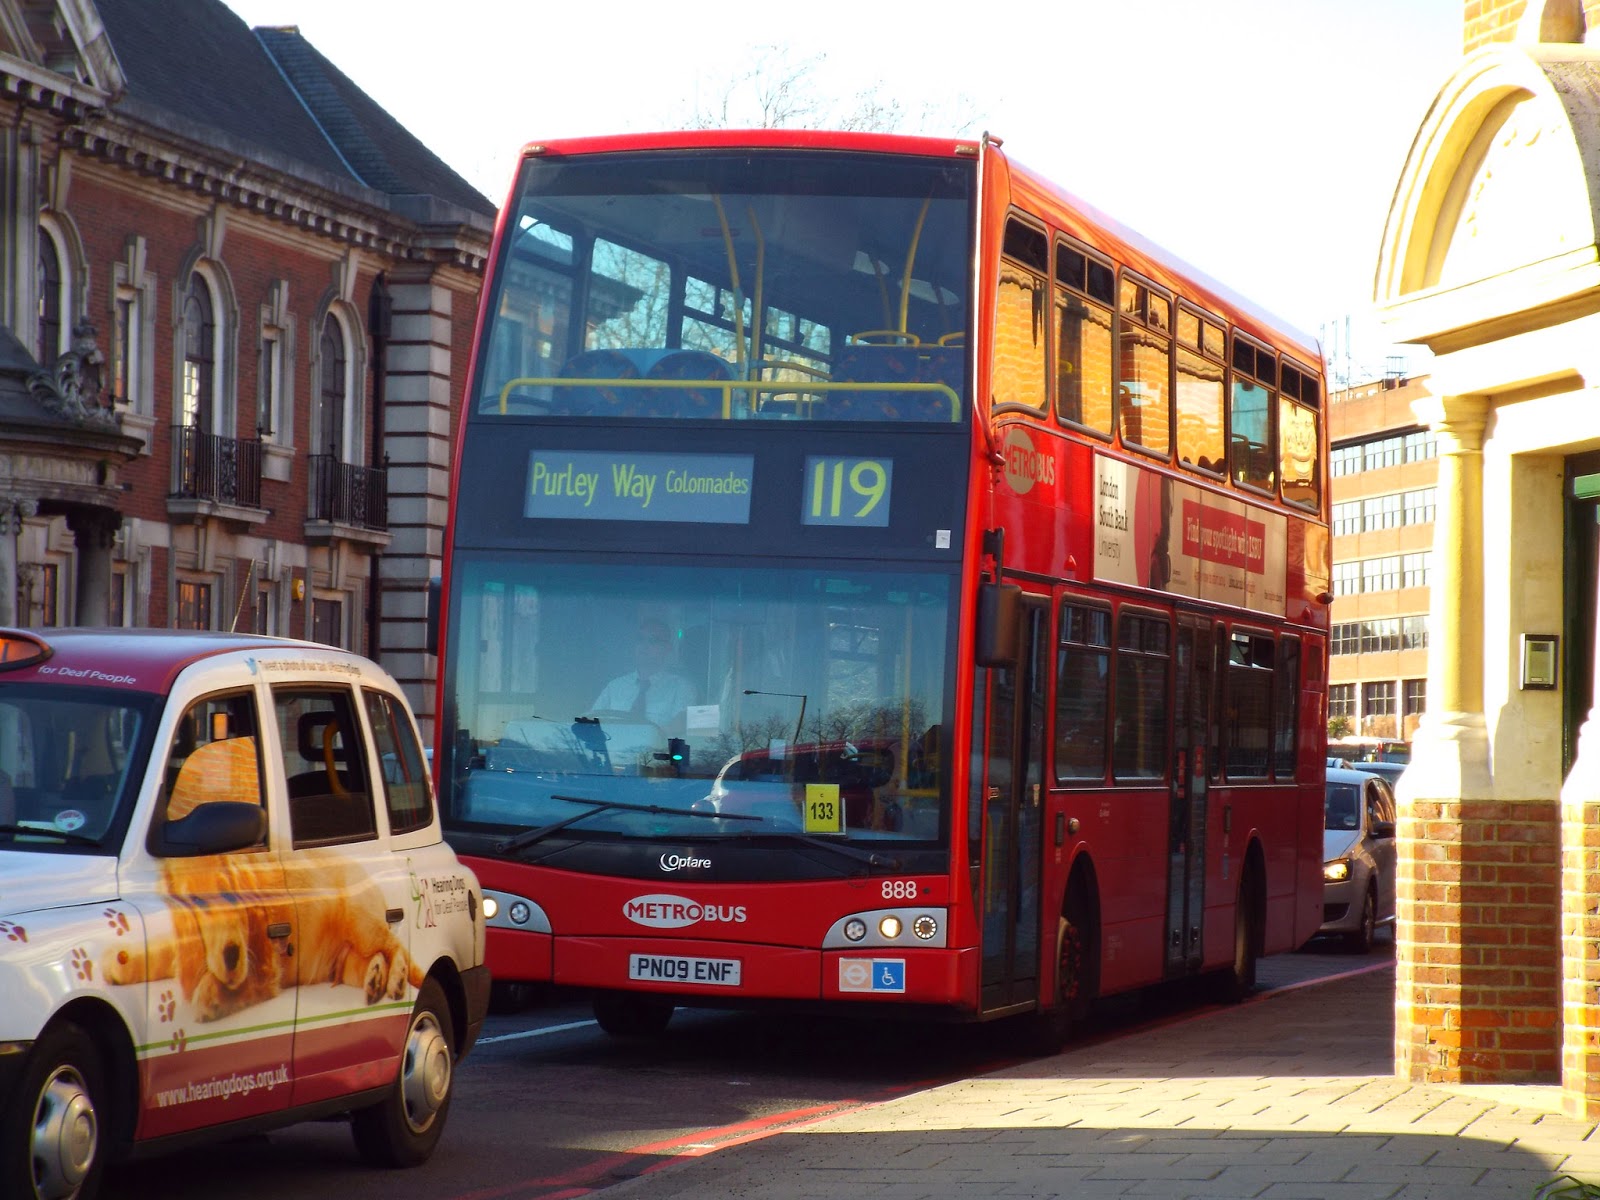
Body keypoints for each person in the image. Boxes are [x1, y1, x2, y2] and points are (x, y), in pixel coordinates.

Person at [591, 620, 696, 728]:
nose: (644, 645)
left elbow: (678, 730)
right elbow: (589, 724)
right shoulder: (614, 687)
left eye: (653, 640)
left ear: (667, 648)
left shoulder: (681, 688)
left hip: (659, 745)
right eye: (640, 639)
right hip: (614, 745)